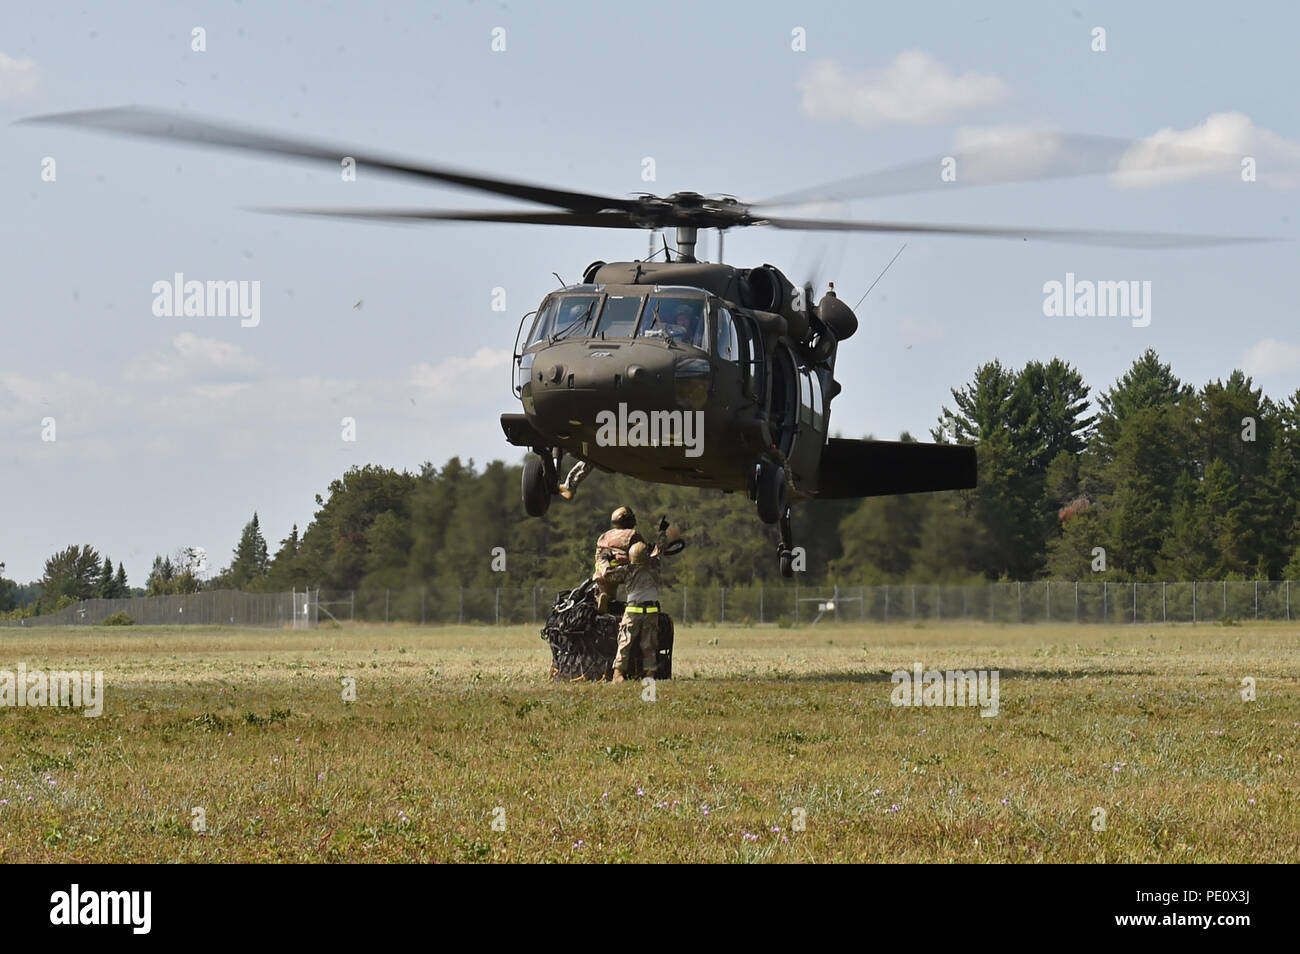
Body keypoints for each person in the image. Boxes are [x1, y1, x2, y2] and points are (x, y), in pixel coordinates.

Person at [609, 540, 664, 682]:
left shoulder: (627, 570)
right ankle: (650, 673)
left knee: (624, 642)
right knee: (649, 644)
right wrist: (660, 535)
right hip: (651, 612)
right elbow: (659, 550)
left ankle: (618, 673)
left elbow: (609, 575)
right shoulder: (654, 567)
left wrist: (610, 561)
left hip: (632, 612)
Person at [592, 507, 643, 614]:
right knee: (641, 575)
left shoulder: (604, 535)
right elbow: (640, 553)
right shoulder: (632, 535)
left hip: (601, 573)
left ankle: (602, 598)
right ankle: (637, 602)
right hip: (621, 572)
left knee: (606, 593)